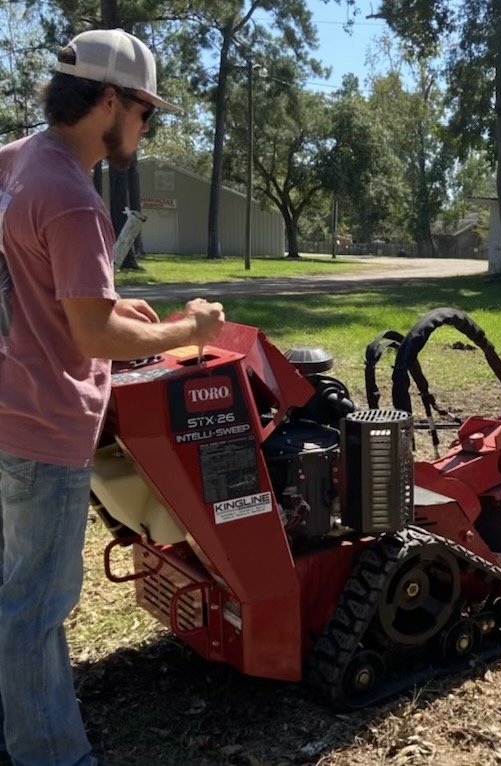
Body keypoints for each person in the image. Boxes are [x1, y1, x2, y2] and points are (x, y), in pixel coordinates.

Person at [0, 29, 225, 765]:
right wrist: (190, 328)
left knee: (11, 593)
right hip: (41, 429)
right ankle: (52, 755)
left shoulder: (17, 162)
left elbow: (38, 282)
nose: (146, 125)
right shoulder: (70, 196)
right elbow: (93, 339)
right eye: (144, 110)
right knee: (35, 611)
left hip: (7, 410)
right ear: (107, 100)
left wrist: (107, 306)